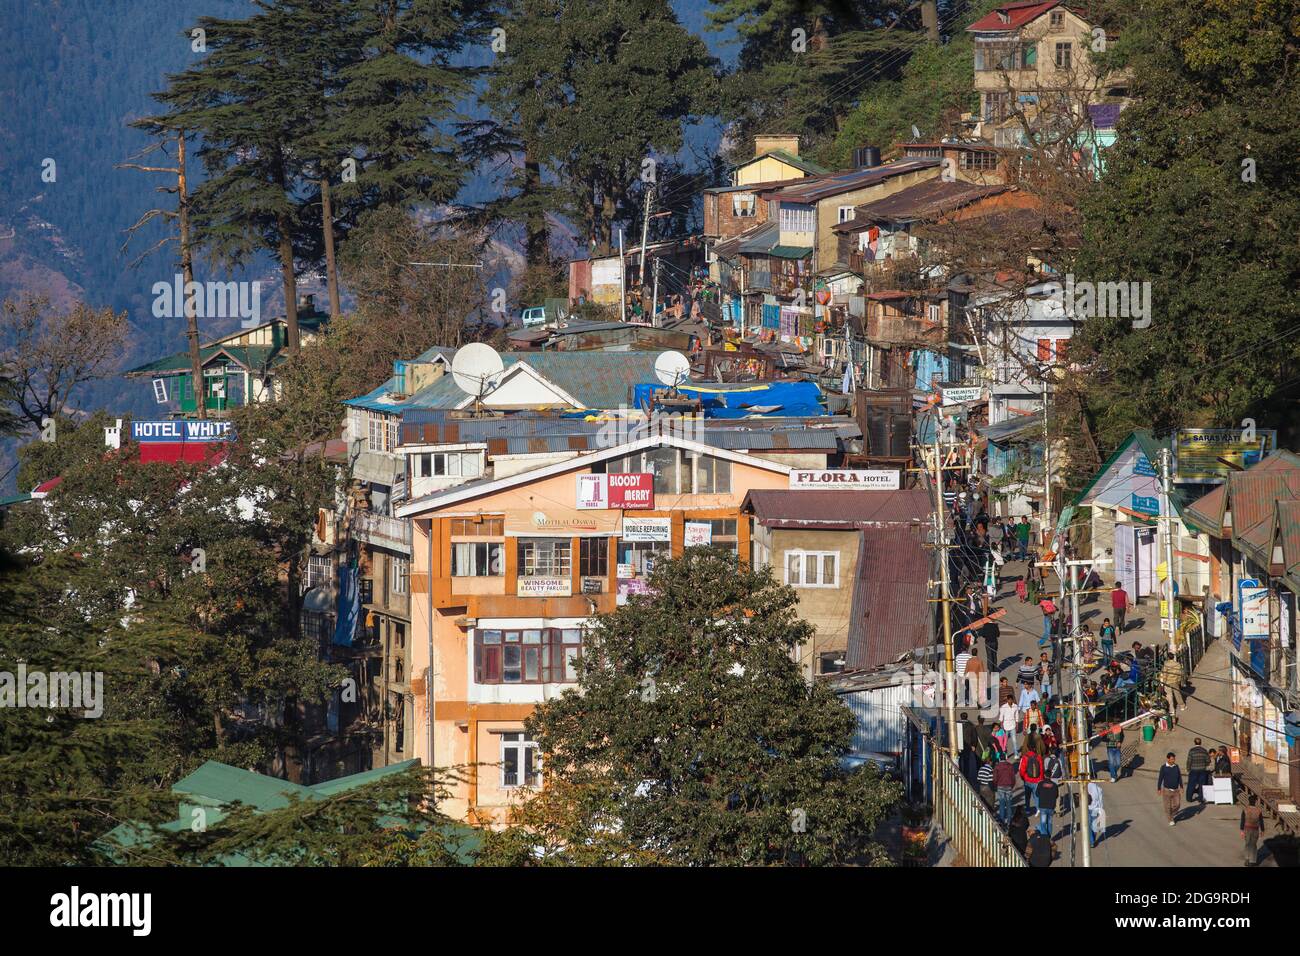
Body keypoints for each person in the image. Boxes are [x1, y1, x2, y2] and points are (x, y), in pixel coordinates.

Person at [1157, 752, 1183, 826]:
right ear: (1168, 759)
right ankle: (1170, 819)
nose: (1173, 761)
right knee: (1167, 806)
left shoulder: (1176, 766)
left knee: (1177, 805)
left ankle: (1171, 814)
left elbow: (1179, 777)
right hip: (1167, 790)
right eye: (1171, 759)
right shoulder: (1163, 767)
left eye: (1174, 759)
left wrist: (1181, 787)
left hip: (1176, 790)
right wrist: (1159, 788)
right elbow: (1160, 778)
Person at [1160, 655, 1187, 719]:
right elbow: (1180, 673)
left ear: (1168, 658)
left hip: (1168, 682)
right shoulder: (1177, 664)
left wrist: (1163, 682)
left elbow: (1164, 674)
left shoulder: (1166, 664)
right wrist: (1179, 680)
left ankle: (1172, 710)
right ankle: (1182, 706)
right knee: (1177, 694)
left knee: (1169, 696)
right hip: (1175, 681)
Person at [994, 754, 1018, 825]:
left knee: (1001, 804)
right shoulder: (1010, 766)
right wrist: (1012, 786)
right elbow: (1013, 778)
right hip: (1008, 786)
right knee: (1008, 804)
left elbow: (995, 778)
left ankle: (1002, 820)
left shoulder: (997, 767)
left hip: (1000, 786)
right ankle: (1009, 821)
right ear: (1006, 759)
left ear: (999, 759)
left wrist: (996, 785)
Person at [1241, 794, 1265, 866]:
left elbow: (1242, 820)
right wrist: (1262, 830)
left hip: (1247, 829)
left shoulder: (1245, 810)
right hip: (1255, 830)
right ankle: (1252, 861)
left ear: (1249, 801)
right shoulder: (1258, 811)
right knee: (1253, 845)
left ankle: (1247, 859)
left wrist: (1241, 830)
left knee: (1247, 844)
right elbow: (1261, 821)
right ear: (1255, 801)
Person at [1186, 738, 1212, 803]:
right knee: (1201, 785)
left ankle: (1189, 798)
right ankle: (1200, 799)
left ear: (1194, 742)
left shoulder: (1191, 751)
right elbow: (1208, 761)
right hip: (1202, 770)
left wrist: (1188, 769)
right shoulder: (1204, 751)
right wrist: (1204, 764)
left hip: (1193, 770)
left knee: (1191, 784)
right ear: (1201, 743)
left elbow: (1189, 761)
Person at [1087, 780, 1106, 847]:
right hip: (1096, 809)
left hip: (1088, 808)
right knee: (1094, 826)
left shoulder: (1086, 786)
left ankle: (1092, 841)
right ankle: (1092, 840)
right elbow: (1100, 801)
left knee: (1089, 825)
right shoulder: (1099, 789)